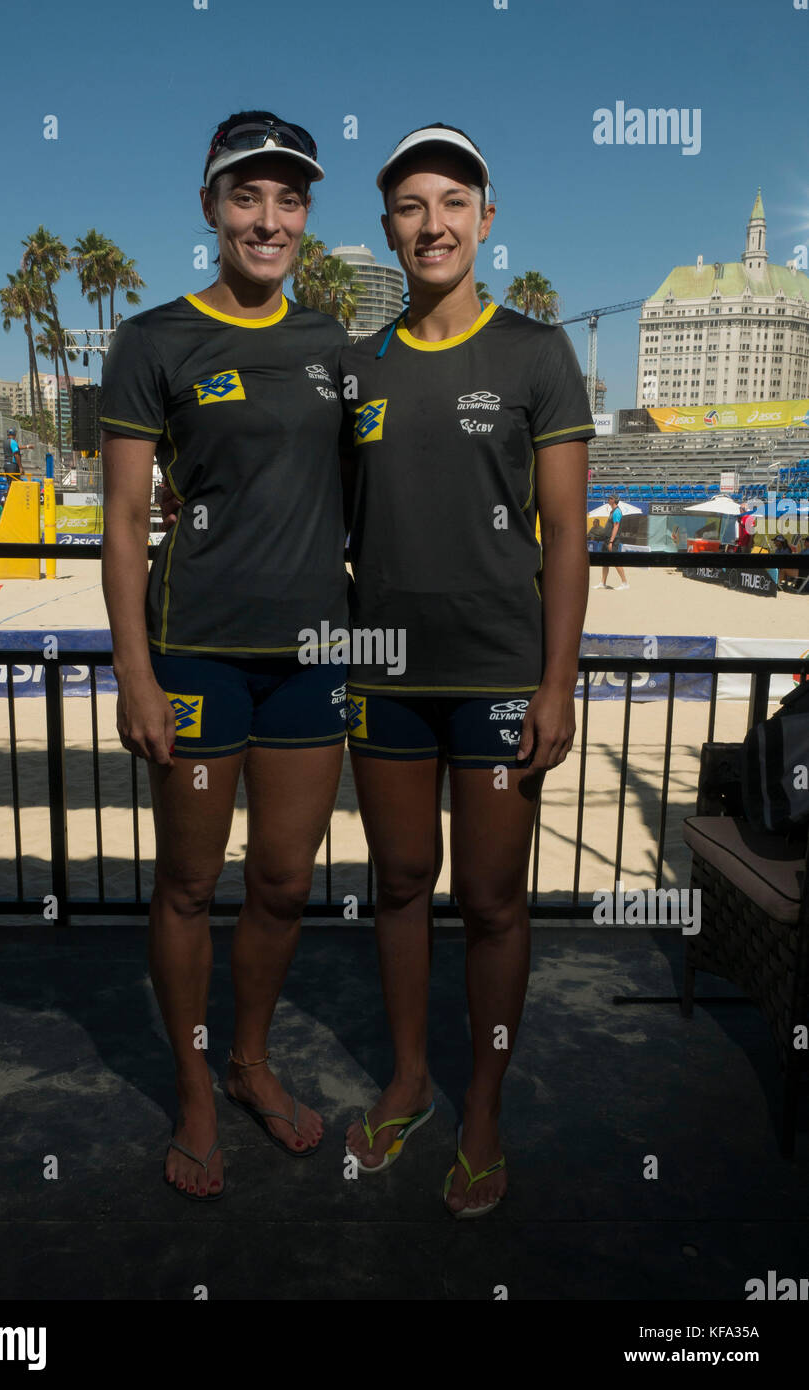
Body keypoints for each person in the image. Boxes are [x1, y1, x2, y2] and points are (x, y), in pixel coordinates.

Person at [338, 125, 594, 1216]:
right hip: (382, 673)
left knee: (490, 900)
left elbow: (568, 535)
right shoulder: (355, 367)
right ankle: (407, 1078)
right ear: (388, 226)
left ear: (484, 220)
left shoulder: (536, 353)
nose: (431, 222)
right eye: (409, 205)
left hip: (497, 673)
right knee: (399, 885)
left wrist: (555, 681)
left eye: (452, 202)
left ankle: (480, 1104)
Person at [99, 110, 349, 1202]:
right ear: (209, 208)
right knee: (191, 883)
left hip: (311, 659)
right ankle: (194, 1083)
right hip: (194, 653)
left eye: (287, 198)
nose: (268, 217)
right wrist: (136, 673)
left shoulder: (340, 347)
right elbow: (119, 524)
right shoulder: (153, 340)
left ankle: (249, 1061)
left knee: (285, 883)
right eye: (246, 196)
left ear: (304, 215)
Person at [593, 494, 628, 589]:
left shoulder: (617, 512)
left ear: (614, 500)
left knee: (616, 561)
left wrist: (611, 542)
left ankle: (625, 583)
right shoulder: (612, 511)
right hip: (607, 540)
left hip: (612, 541)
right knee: (604, 562)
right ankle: (603, 583)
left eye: (610, 498)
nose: (608, 499)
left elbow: (616, 527)